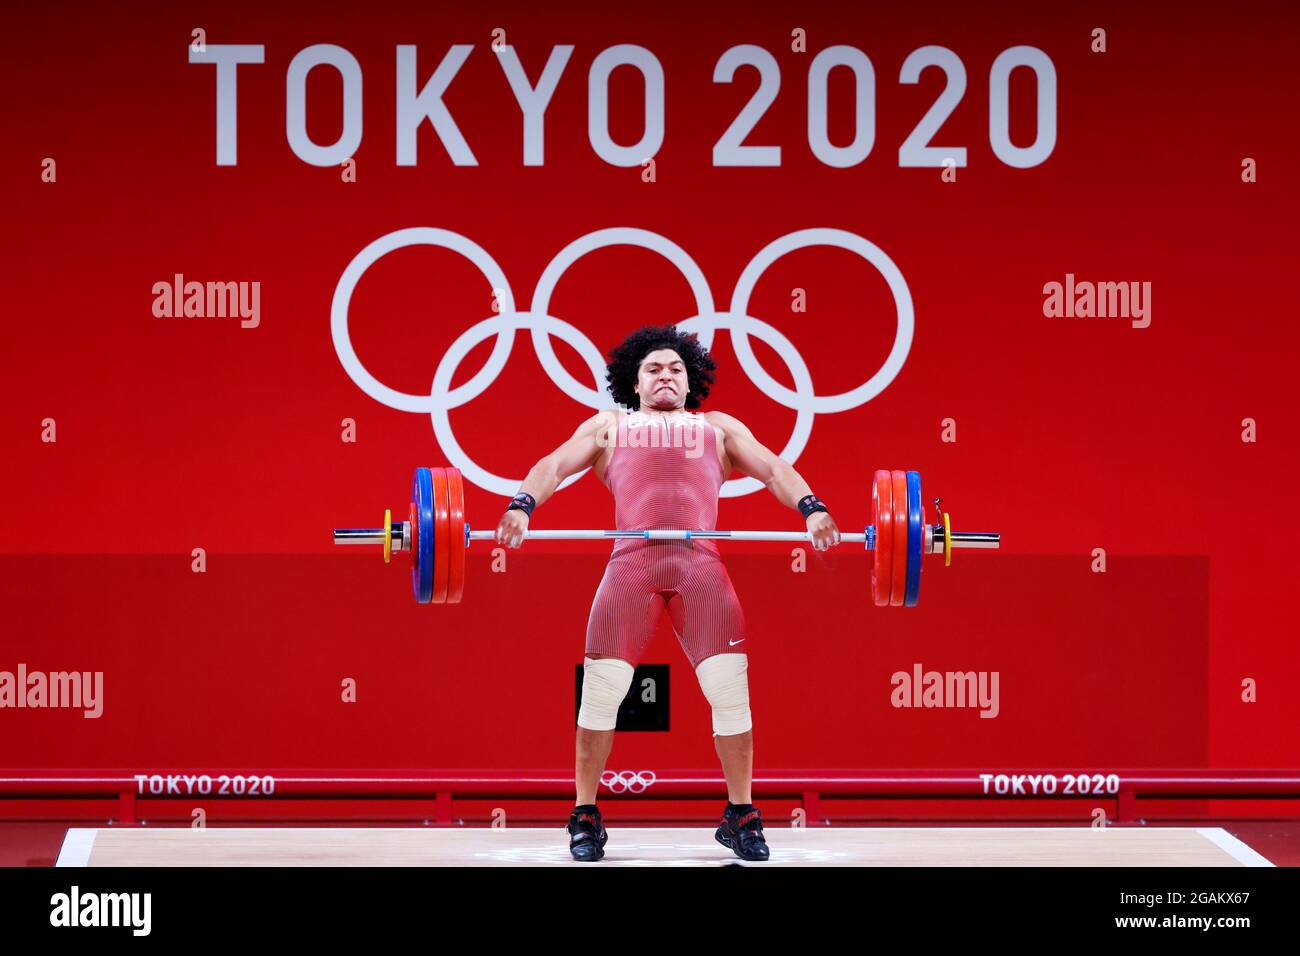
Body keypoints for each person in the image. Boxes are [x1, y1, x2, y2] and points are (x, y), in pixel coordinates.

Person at [494, 325, 840, 861]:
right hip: (630, 567)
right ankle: (585, 814)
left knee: (730, 694)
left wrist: (811, 508)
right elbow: (553, 466)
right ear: (634, 383)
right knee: (601, 693)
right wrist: (522, 504)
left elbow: (773, 470)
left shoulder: (717, 429)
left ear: (690, 381)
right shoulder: (609, 427)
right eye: (654, 369)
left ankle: (741, 813)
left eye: (675, 369)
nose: (665, 376)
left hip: (700, 569)